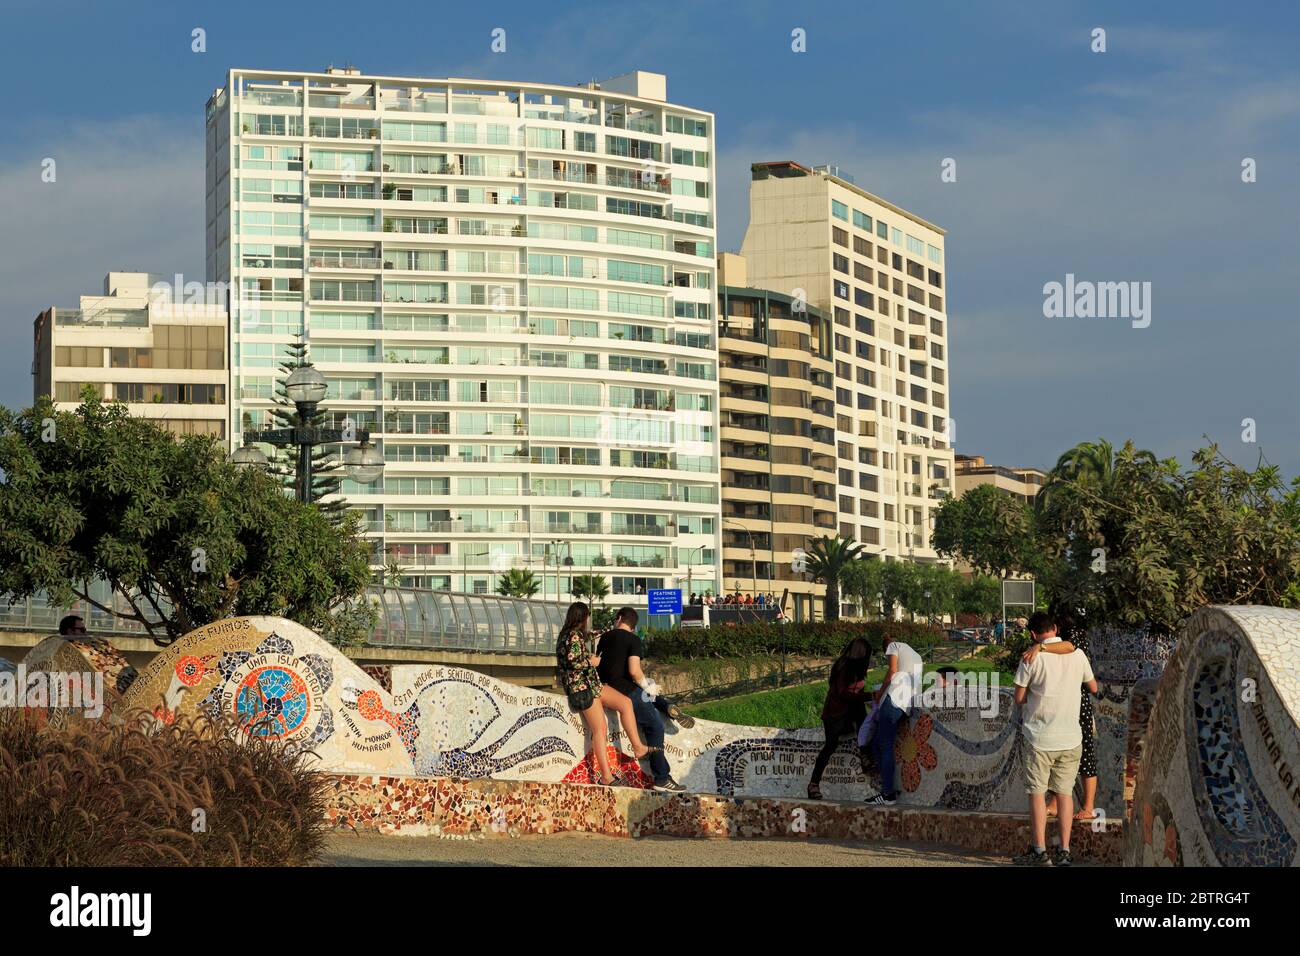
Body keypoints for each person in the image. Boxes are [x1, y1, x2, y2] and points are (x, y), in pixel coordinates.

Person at [1012, 612, 1097, 866]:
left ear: (1032, 634)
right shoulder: (1078, 655)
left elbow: (1018, 698)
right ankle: (1064, 852)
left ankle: (1039, 852)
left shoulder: (1030, 658)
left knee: (1037, 793)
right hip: (1071, 738)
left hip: (1039, 737)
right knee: (1064, 794)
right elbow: (1093, 686)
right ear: (1056, 628)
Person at [554, 602, 658, 786]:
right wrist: (592, 662)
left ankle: (638, 747)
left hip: (592, 685)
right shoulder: (573, 636)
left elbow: (572, 657)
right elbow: (573, 662)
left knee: (625, 703)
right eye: (587, 617)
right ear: (583, 617)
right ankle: (606, 776)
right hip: (583, 688)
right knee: (600, 729)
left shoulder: (566, 635)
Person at [597, 606, 689, 793]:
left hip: (605, 688)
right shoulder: (633, 639)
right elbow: (634, 671)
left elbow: (599, 663)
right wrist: (648, 686)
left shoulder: (605, 637)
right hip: (625, 689)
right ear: (632, 625)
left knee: (648, 693)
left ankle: (664, 704)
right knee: (655, 726)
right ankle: (662, 777)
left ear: (619, 618)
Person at [808, 637, 872, 800]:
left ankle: (864, 754)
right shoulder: (843, 668)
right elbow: (843, 693)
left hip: (850, 713)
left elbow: (857, 696)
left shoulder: (859, 670)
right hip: (835, 715)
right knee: (830, 746)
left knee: (863, 715)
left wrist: (868, 697)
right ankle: (813, 784)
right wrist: (869, 696)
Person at [869, 633, 923, 805]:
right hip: (906, 705)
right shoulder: (916, 655)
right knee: (881, 744)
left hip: (893, 700)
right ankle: (888, 788)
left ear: (886, 648)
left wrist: (879, 694)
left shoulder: (893, 647)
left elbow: (892, 671)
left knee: (882, 746)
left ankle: (887, 793)